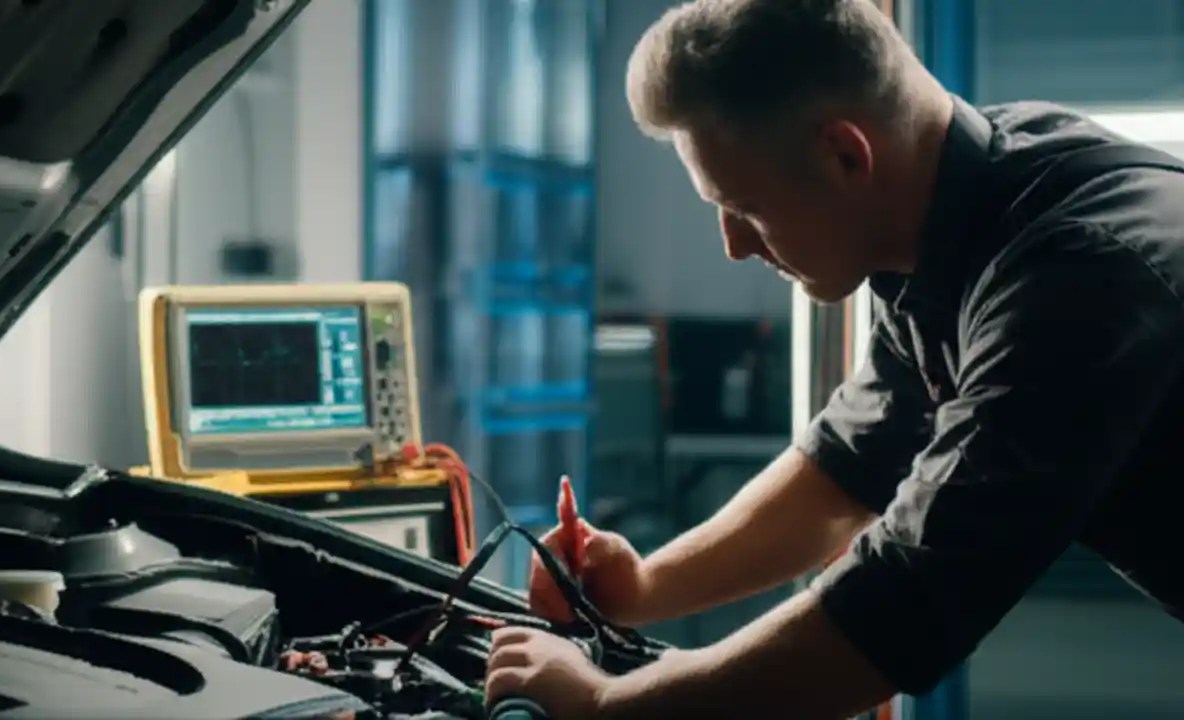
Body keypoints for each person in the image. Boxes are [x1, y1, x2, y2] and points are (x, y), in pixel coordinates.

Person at [482, 0, 1184, 718]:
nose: (734, 244)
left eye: (745, 207)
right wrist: (644, 586)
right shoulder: (956, 209)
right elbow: (847, 471)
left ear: (847, 155)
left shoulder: (1077, 273)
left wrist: (606, 707)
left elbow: (902, 609)